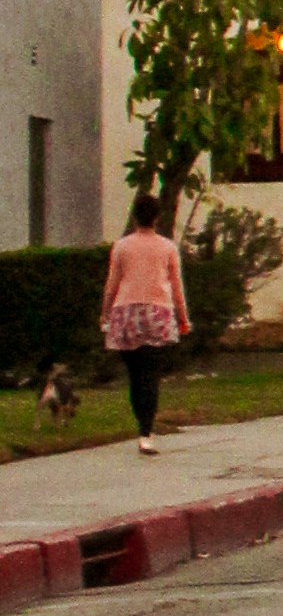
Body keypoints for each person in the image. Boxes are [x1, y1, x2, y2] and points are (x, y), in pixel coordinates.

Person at [100, 192, 189, 453]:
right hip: (157, 312)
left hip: (126, 313)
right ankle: (146, 432)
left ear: (135, 216)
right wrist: (183, 318)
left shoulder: (122, 246)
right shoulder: (167, 248)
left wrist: (105, 313)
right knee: (150, 374)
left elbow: (112, 284)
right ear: (158, 217)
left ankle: (141, 422)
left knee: (135, 374)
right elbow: (176, 286)